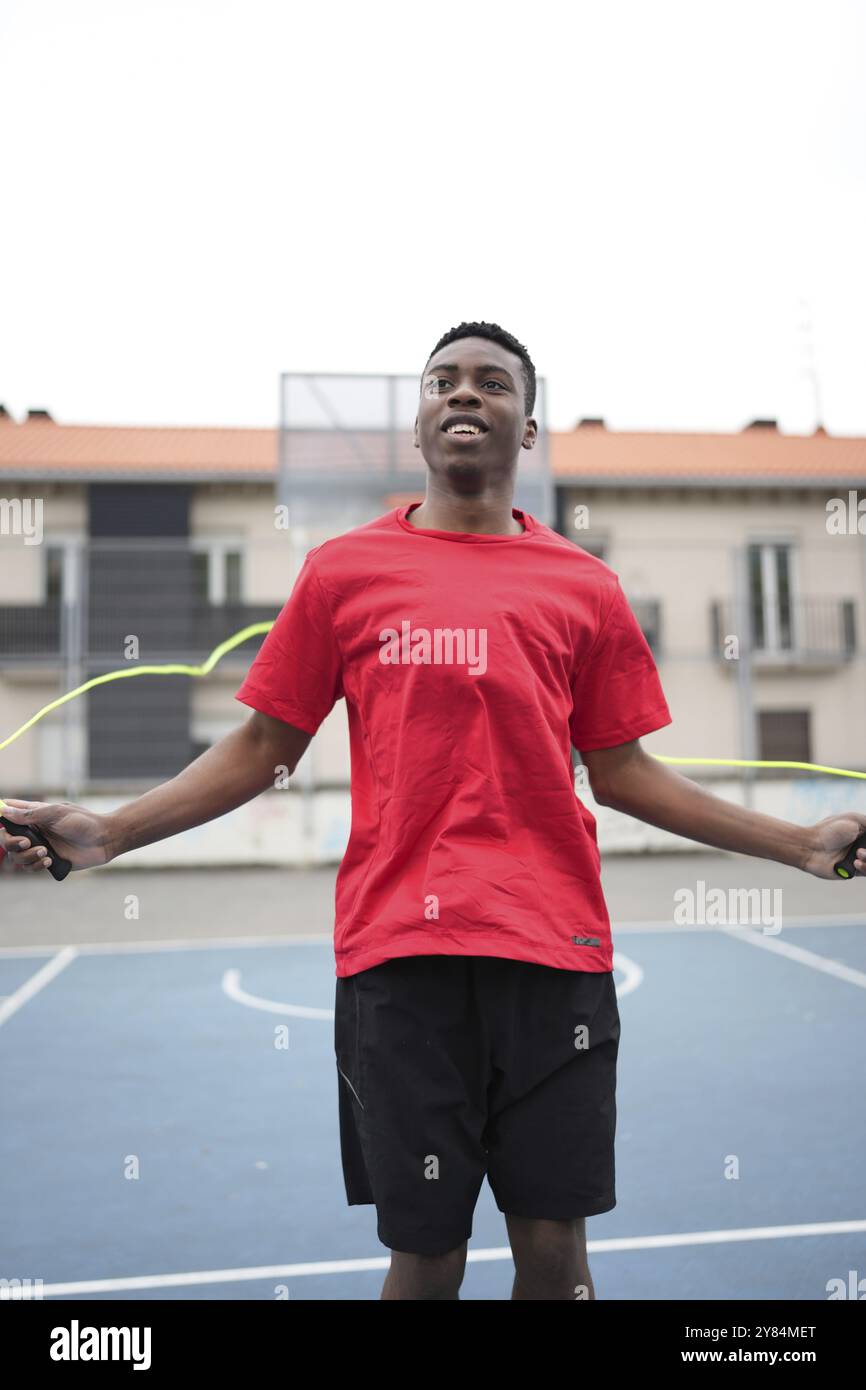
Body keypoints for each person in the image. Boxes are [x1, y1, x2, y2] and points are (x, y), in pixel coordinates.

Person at [3, 320, 865, 1303]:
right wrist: (107, 830)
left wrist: (802, 841)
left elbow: (623, 773)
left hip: (555, 960)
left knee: (555, 1257)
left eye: (491, 383)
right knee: (426, 1257)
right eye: (443, 381)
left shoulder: (585, 588)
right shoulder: (341, 573)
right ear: (418, 421)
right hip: (397, 968)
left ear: (526, 427)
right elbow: (259, 747)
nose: (464, 394)